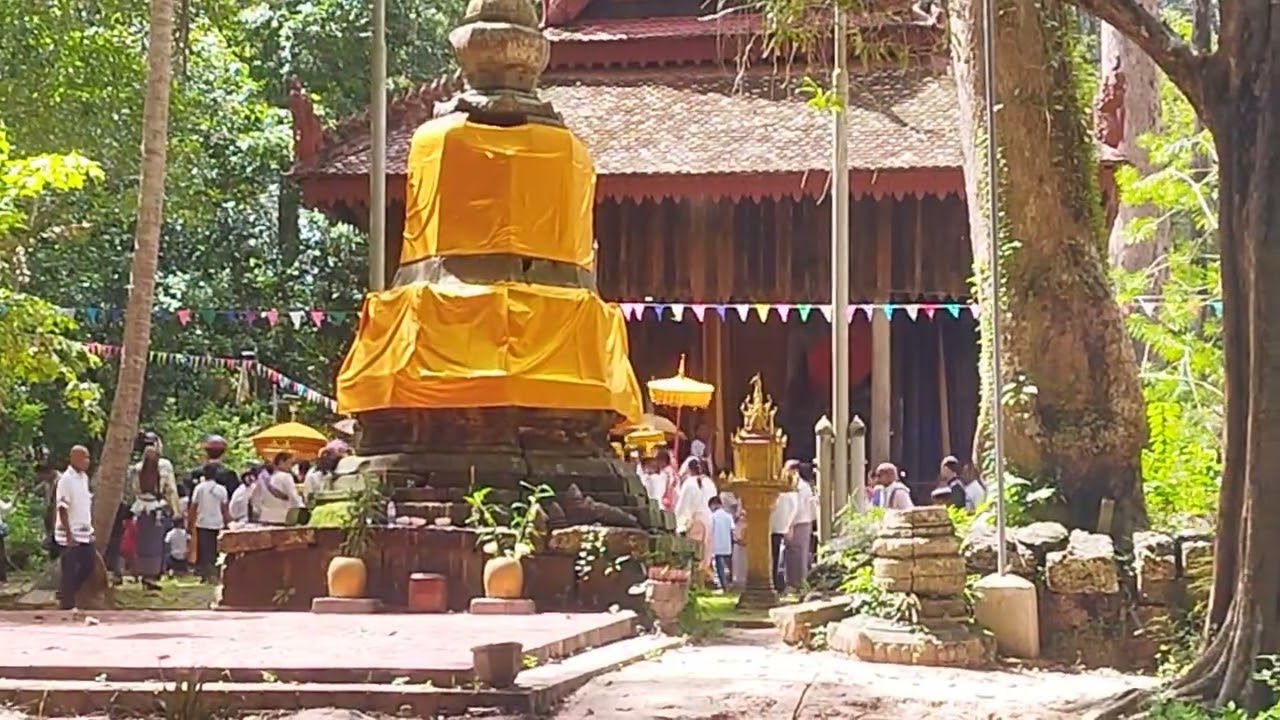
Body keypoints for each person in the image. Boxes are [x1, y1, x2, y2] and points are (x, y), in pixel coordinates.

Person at [55, 446, 95, 610]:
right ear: (73, 458)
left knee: (88, 565)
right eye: (83, 458)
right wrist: (68, 534)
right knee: (69, 569)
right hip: (69, 534)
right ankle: (67, 602)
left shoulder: (84, 478)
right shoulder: (66, 480)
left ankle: (66, 593)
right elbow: (62, 508)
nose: (87, 461)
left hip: (84, 532)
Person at [129, 446, 172, 590]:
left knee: (144, 544)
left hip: (142, 509)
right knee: (152, 545)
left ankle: (144, 575)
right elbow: (169, 490)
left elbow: (132, 490)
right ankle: (150, 576)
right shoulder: (162, 472)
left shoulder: (136, 471)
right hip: (153, 509)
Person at [674, 457, 717, 578]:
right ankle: (701, 581)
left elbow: (684, 507)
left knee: (692, 555)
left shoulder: (689, 484)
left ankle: (693, 581)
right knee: (705, 553)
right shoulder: (710, 483)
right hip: (708, 521)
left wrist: (680, 525)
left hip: (694, 522)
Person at [189, 465, 230, 581]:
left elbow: (193, 506)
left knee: (204, 549)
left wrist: (190, 522)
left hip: (203, 522)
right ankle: (214, 572)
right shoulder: (222, 489)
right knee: (215, 549)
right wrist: (228, 523)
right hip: (217, 522)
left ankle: (205, 573)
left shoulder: (199, 488)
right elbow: (224, 508)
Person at [783, 460, 817, 591]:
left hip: (799, 522)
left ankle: (797, 584)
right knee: (797, 554)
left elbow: (795, 507)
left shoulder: (799, 486)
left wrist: (789, 525)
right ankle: (797, 583)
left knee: (797, 555)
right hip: (804, 521)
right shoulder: (804, 486)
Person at [252, 452, 305, 526]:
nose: (290, 467)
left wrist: (263, 510)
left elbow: (255, 500)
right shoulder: (286, 477)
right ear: (281, 462)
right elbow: (294, 498)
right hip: (282, 518)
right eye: (289, 463)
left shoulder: (262, 479)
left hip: (265, 518)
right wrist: (303, 510)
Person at [769, 484, 798, 591]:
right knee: (777, 556)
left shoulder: (777, 494)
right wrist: (788, 525)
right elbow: (794, 510)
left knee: (774, 557)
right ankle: (777, 582)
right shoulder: (791, 495)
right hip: (781, 527)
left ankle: (775, 581)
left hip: (772, 528)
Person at [708, 496, 735, 591]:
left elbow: (710, 531)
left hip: (717, 545)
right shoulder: (728, 516)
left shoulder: (712, 517)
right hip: (727, 545)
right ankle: (729, 583)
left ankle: (724, 585)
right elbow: (732, 530)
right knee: (728, 565)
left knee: (719, 567)